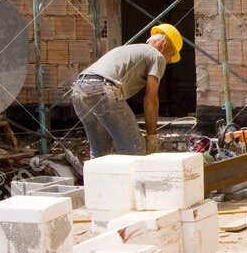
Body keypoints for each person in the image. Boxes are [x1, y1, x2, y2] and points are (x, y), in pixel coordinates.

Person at [70, 24, 183, 157]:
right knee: (135, 149)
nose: (168, 61)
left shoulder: (127, 49)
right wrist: (152, 136)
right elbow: (151, 98)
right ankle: (137, 178)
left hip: (79, 90)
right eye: (170, 56)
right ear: (164, 46)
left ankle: (98, 178)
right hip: (103, 89)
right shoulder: (157, 56)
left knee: (100, 153)